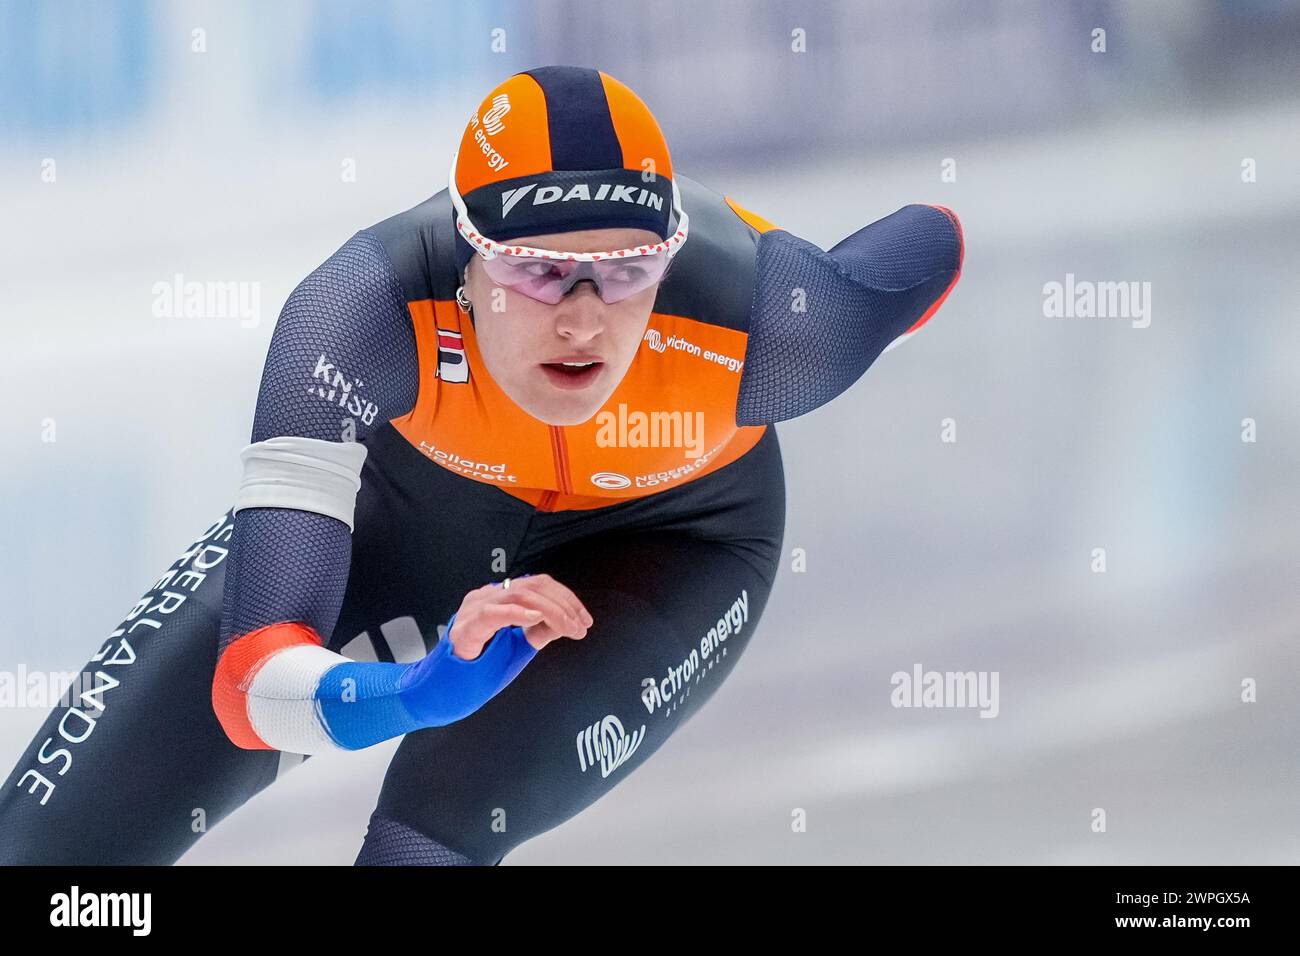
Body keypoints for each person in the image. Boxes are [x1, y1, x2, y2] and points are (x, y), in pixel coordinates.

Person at [0, 65, 963, 865]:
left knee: (434, 830)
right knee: (44, 858)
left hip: (673, 544)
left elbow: (928, 245)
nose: (584, 317)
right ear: (466, 257)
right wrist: (418, 693)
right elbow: (251, 688)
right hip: (413, 515)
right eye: (538, 269)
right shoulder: (359, 314)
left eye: (627, 269)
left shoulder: (772, 327)